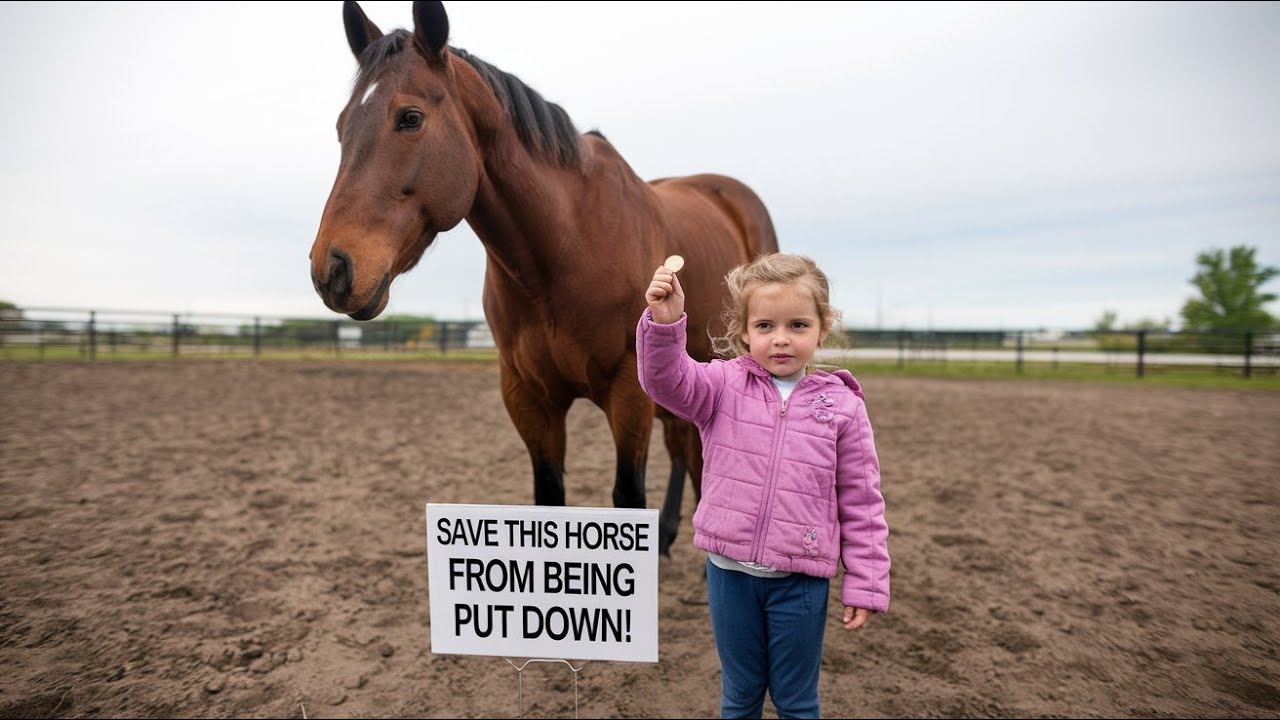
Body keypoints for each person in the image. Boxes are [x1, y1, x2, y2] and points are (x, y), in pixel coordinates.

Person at [636, 252, 890, 719]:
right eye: (765, 326)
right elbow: (665, 380)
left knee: (796, 701)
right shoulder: (720, 387)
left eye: (797, 325)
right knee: (740, 696)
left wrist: (866, 583)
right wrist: (665, 324)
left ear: (823, 325)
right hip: (729, 576)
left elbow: (862, 502)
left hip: (801, 582)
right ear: (745, 330)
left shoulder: (843, 408)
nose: (780, 340)